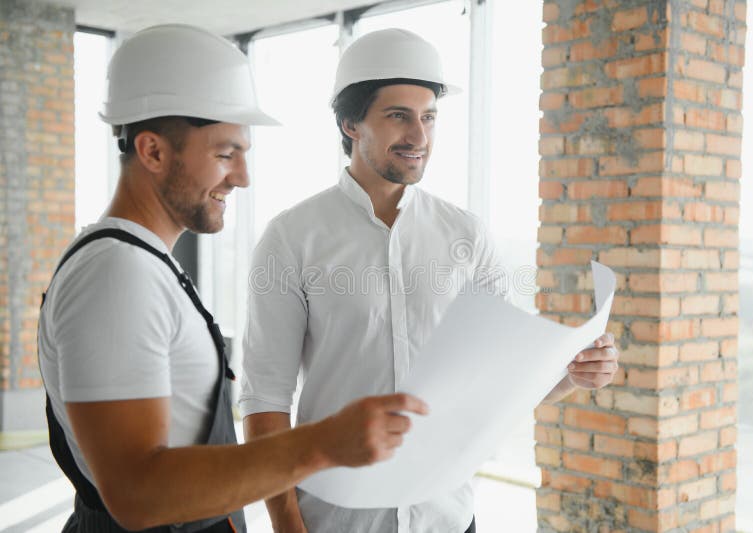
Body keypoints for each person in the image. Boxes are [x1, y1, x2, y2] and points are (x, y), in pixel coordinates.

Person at [37, 24, 428, 533]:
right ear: (153, 152)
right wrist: (322, 443)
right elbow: (137, 492)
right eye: (225, 153)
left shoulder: (143, 263)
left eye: (244, 153)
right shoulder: (117, 275)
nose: (242, 177)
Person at [241, 28, 620, 533]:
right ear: (350, 123)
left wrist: (573, 374)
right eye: (399, 116)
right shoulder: (292, 238)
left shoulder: (466, 236)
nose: (419, 137)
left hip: (447, 519)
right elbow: (265, 401)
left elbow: (501, 382)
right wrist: (288, 526)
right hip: (336, 522)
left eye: (429, 117)